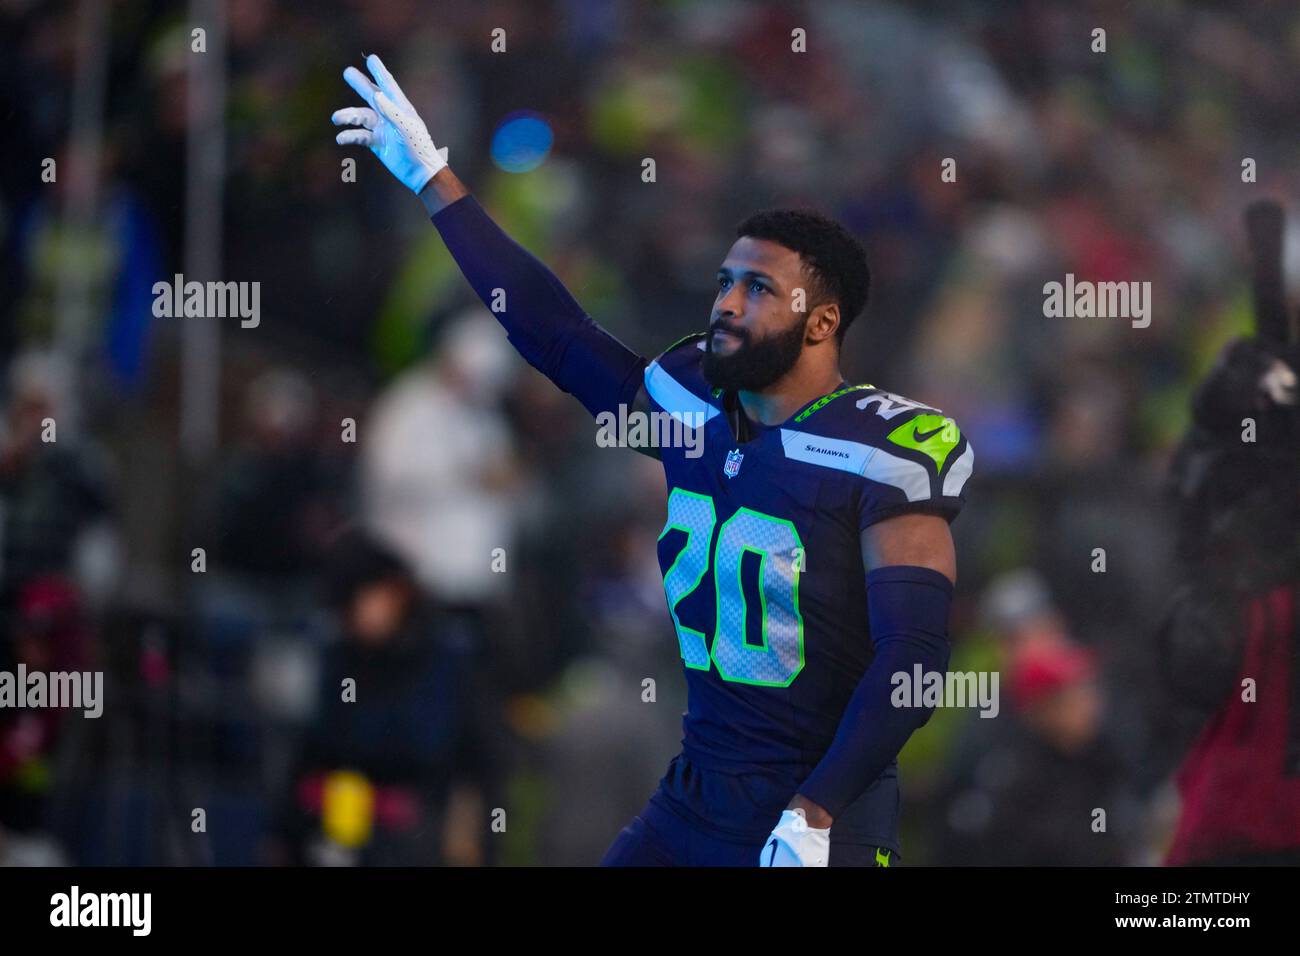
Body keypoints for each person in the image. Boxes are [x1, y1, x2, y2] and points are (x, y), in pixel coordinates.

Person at [332, 56, 974, 866]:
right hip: (695, 798)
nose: (728, 305)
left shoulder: (880, 451)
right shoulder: (689, 405)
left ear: (823, 323)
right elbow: (554, 331)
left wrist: (816, 810)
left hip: (818, 816)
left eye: (759, 290)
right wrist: (435, 182)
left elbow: (914, 658)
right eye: (724, 282)